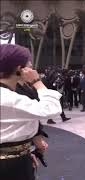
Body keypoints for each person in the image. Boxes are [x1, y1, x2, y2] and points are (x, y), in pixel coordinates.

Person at [0, 44, 62, 180]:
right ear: (19, 69)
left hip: (15, 158)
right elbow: (52, 109)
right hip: (10, 167)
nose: (32, 68)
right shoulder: (9, 98)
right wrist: (37, 81)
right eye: (29, 64)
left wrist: (24, 154)